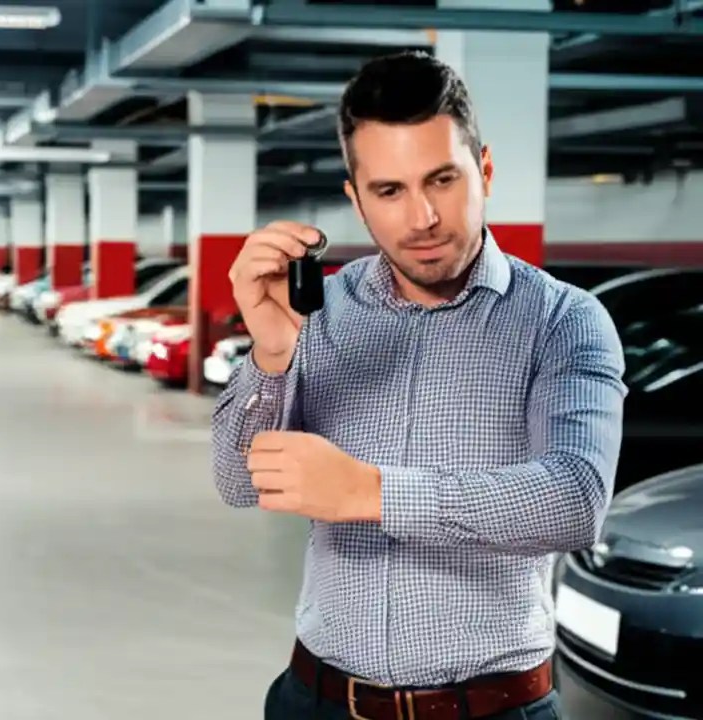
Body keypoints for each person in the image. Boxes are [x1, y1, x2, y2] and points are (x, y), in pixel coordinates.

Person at [212, 50, 627, 719]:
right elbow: (237, 481)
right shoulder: (320, 311)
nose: (423, 217)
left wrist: (371, 493)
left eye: (442, 180)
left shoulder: (563, 319)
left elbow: (574, 500)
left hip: (489, 709)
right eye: (390, 191)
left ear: (484, 170)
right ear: (356, 197)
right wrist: (271, 350)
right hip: (314, 699)